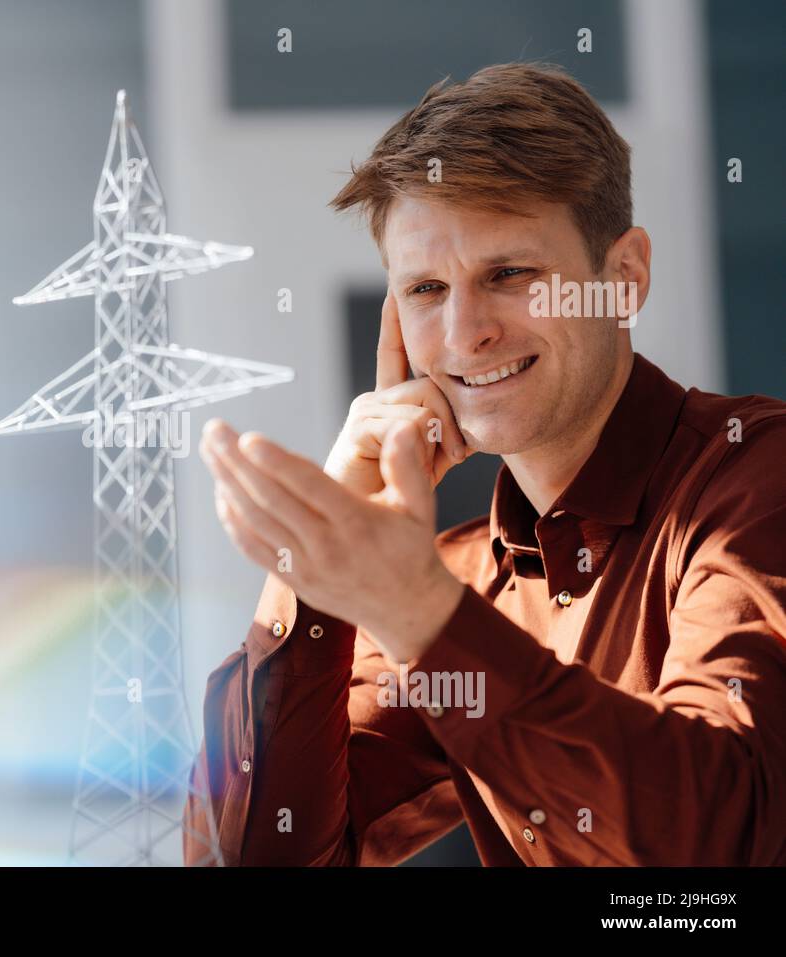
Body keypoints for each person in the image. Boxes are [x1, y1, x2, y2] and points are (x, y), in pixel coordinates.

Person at [183, 61, 786, 866]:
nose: (466, 334)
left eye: (508, 274)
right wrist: (316, 572)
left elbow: (715, 853)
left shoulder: (760, 479)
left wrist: (419, 614)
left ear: (624, 278)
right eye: (428, 289)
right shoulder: (454, 583)